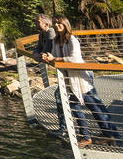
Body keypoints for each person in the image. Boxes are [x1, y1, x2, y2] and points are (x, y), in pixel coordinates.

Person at [43, 16, 118, 147]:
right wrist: (48, 57)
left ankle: (104, 135)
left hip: (82, 78)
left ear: (65, 24)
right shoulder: (55, 41)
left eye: (59, 23)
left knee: (93, 106)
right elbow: (55, 57)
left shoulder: (72, 40)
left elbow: (75, 59)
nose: (56, 25)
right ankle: (99, 136)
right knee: (82, 106)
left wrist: (56, 58)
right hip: (69, 79)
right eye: (54, 23)